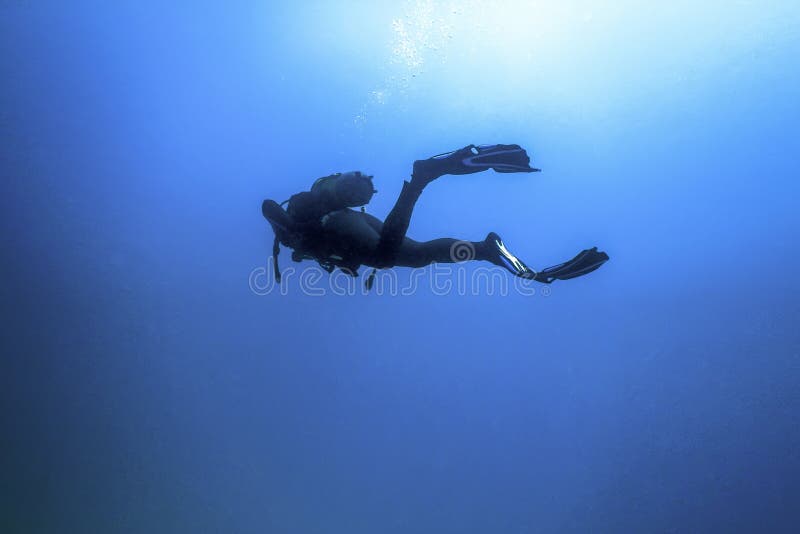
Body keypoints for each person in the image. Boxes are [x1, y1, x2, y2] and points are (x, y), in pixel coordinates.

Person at [261, 144, 609, 288]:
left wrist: (288, 231)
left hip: (335, 223)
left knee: (384, 258)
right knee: (414, 256)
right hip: (348, 224)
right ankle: (486, 249)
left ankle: (421, 178)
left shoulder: (301, 225)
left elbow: (270, 209)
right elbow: (271, 209)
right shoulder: (309, 219)